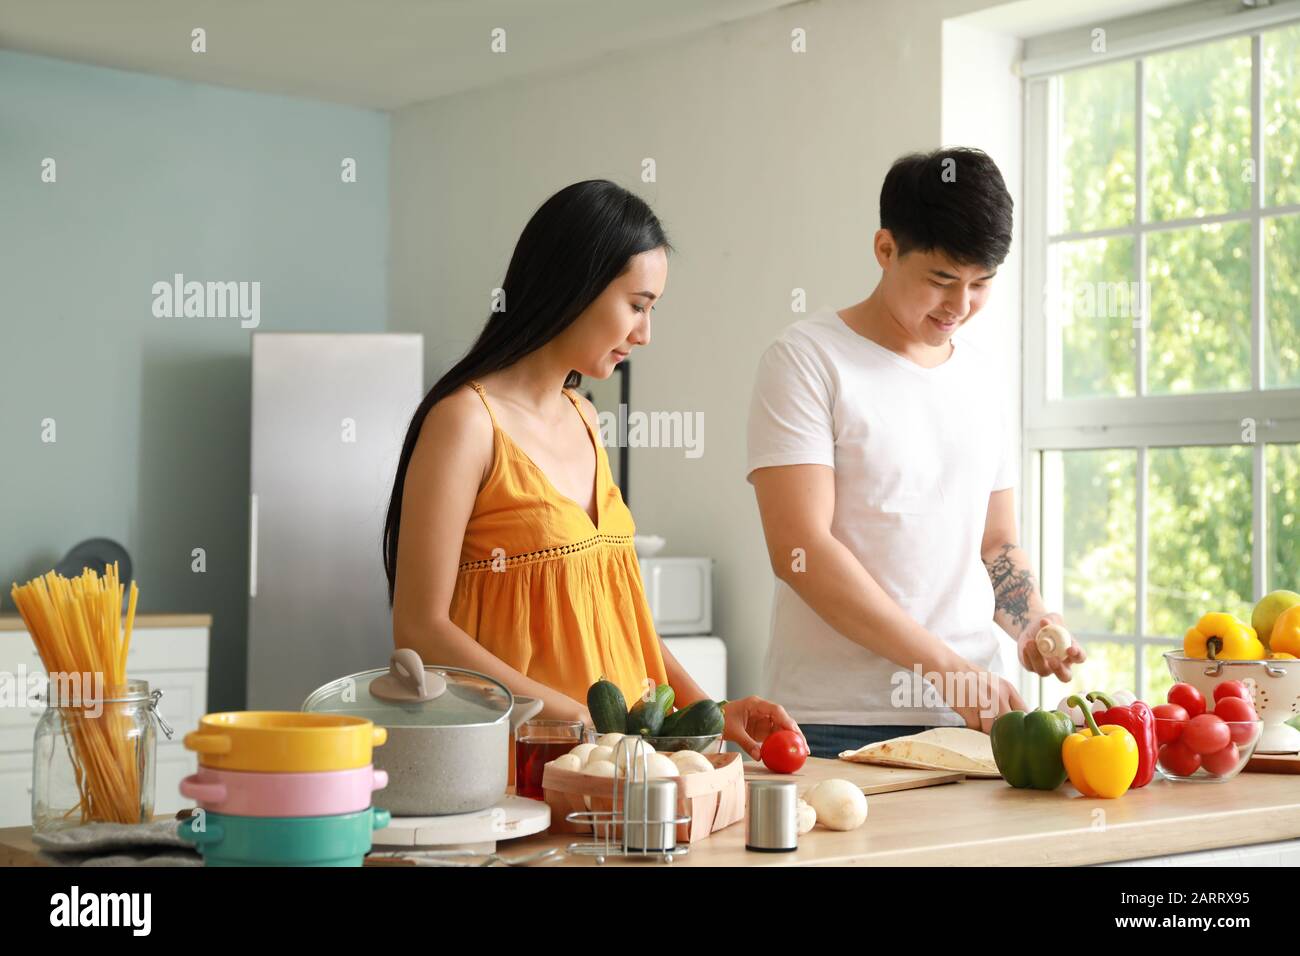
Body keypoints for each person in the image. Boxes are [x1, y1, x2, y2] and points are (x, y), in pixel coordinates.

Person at [385, 179, 799, 760]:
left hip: (617, 768)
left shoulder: (584, 416)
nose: (645, 333)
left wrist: (707, 708)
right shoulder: (466, 423)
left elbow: (615, 612)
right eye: (637, 305)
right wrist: (575, 720)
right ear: (573, 284)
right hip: (524, 765)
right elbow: (420, 632)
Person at [746, 148, 1085, 760]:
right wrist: (946, 670)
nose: (960, 305)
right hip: (835, 719)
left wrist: (1031, 621)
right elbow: (800, 551)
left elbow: (995, 545)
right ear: (886, 249)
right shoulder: (806, 360)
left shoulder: (982, 377)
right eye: (941, 280)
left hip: (970, 718)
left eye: (981, 283)